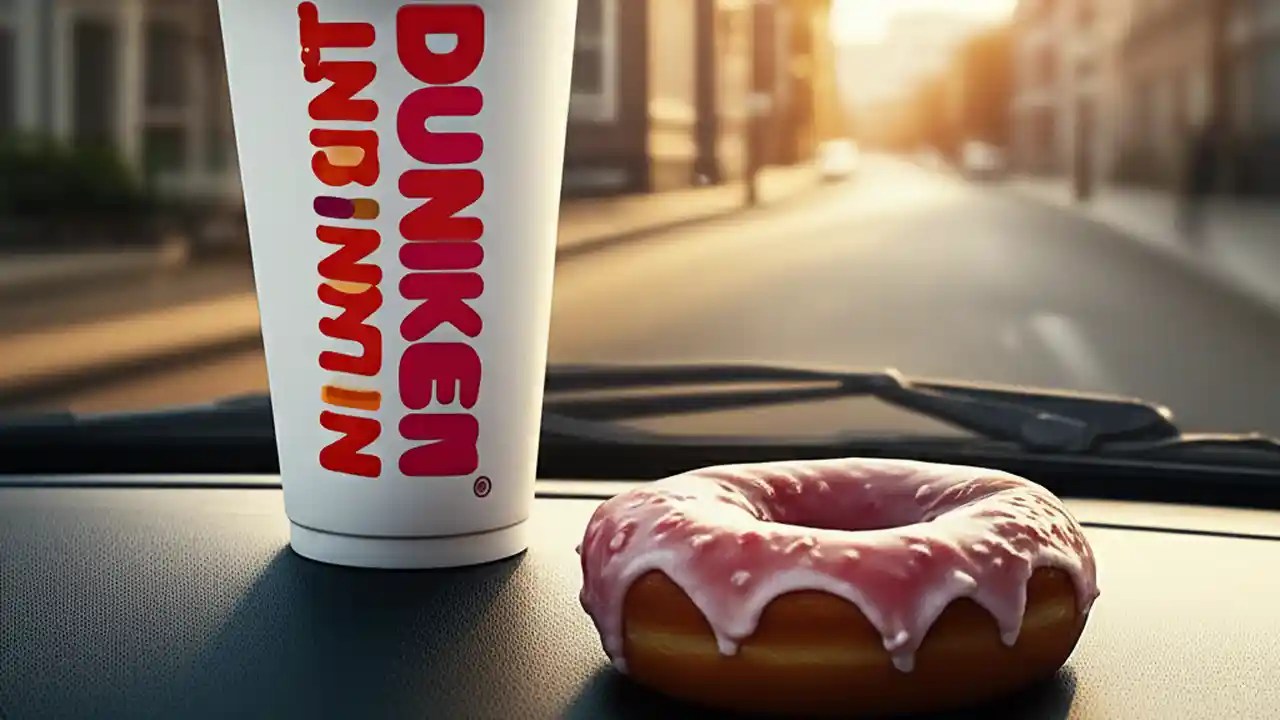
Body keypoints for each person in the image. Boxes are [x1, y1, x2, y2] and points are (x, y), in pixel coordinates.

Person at [1178, 122, 1218, 248]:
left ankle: (1188, 223)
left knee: (1195, 202)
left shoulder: (1204, 148)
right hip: (1199, 179)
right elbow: (1200, 166)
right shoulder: (1205, 148)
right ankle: (1188, 223)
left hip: (1199, 179)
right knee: (1195, 202)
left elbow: (1204, 166)